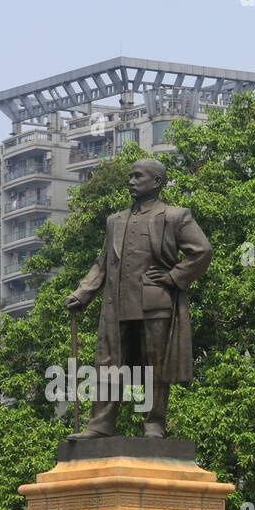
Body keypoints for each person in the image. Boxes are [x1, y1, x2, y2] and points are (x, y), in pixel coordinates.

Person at [64, 158, 212, 438]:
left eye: (138, 177)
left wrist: (173, 277)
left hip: (155, 304)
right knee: (108, 364)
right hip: (117, 304)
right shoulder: (115, 220)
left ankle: (154, 423)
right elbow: (103, 263)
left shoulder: (175, 216)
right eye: (130, 177)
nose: (131, 182)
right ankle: (100, 424)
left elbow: (202, 251)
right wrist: (82, 293)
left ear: (156, 182)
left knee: (155, 365)